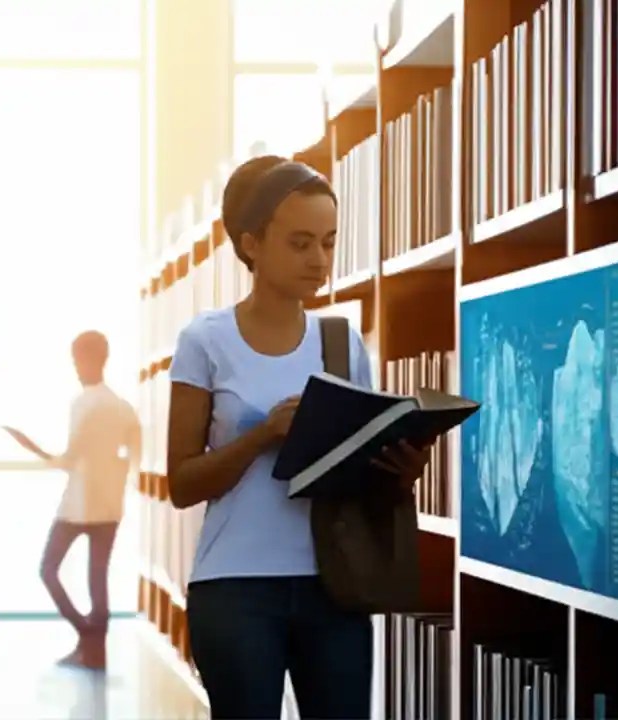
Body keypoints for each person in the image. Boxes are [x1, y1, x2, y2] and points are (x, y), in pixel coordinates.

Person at [165, 156, 433, 719]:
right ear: (252, 244)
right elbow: (183, 483)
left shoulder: (340, 341)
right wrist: (263, 434)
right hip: (235, 587)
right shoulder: (205, 341)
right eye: (300, 242)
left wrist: (399, 470)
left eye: (329, 243)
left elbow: (358, 471)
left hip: (334, 583)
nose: (319, 260)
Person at [2, 330, 141, 670]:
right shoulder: (122, 407)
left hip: (79, 504)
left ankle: (87, 635)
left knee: (48, 569)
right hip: (110, 506)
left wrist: (30, 446)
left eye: (77, 360)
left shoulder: (84, 403)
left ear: (89, 360)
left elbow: (68, 460)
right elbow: (133, 457)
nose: (75, 368)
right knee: (98, 579)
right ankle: (94, 651)